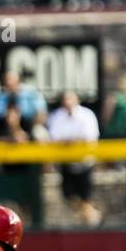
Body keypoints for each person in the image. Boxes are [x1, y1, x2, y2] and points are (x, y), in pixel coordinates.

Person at [47, 91, 101, 226]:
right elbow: (54, 138)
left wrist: (70, 142)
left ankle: (91, 218)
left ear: (77, 100)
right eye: (65, 99)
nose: (68, 102)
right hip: (66, 163)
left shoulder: (87, 115)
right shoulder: (57, 116)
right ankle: (92, 215)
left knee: (86, 196)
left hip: (84, 162)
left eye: (70, 99)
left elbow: (90, 138)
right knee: (69, 197)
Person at [0, 70, 47, 134]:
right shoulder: (2, 96)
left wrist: (34, 126)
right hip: (8, 126)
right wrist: (10, 115)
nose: (8, 83)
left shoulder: (31, 92)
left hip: (31, 124)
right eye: (6, 81)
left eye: (11, 80)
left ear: (18, 81)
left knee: (39, 132)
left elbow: (41, 114)